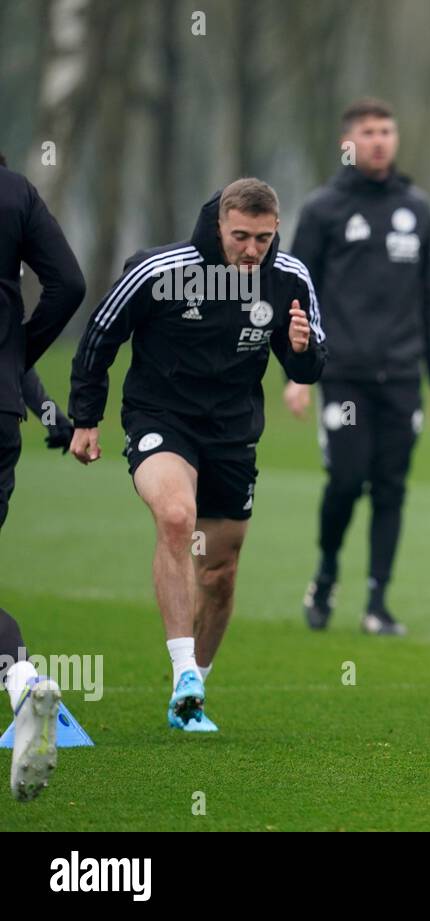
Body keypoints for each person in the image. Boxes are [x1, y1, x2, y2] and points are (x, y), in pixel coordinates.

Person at [69, 178, 326, 733]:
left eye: (262, 238)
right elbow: (100, 335)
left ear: (275, 229)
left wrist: (305, 353)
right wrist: (86, 418)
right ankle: (182, 667)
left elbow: (306, 365)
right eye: (240, 237)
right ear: (219, 226)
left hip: (232, 434)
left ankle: (193, 695)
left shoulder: (289, 279)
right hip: (161, 418)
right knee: (176, 517)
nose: (250, 250)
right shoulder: (160, 271)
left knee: (222, 573)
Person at [289, 98, 430, 637]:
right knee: (346, 480)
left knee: (391, 487)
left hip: (402, 377)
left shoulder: (417, 209)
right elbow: (295, 291)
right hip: (344, 375)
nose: (379, 140)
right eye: (368, 131)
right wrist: (296, 372)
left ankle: (377, 603)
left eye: (386, 130)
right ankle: (325, 573)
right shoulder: (322, 209)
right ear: (348, 141)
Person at [0, 151, 85, 800]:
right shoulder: (17, 193)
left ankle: (23, 681)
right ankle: (22, 683)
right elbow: (69, 285)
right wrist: (43, 401)